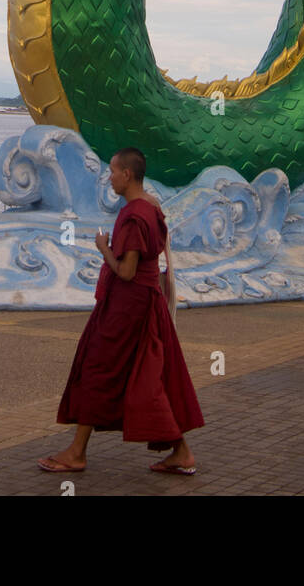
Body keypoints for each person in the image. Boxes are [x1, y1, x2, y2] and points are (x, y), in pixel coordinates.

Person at [37, 146, 204, 475]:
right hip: (148, 302)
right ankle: (181, 452)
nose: (109, 177)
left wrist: (103, 248)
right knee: (149, 375)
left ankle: (77, 453)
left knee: (97, 368)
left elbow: (126, 272)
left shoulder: (133, 215)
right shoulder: (151, 207)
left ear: (127, 175)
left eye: (113, 171)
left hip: (126, 307)